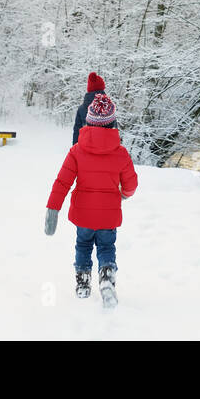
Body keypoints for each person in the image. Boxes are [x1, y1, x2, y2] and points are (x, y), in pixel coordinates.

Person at [44, 92, 138, 307]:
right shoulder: (121, 153)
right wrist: (124, 194)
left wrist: (52, 209)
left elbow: (62, 182)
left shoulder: (77, 151)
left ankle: (83, 283)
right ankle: (106, 278)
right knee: (106, 247)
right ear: (113, 123)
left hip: (84, 215)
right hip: (108, 215)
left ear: (88, 121)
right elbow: (131, 183)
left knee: (83, 245)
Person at [71, 72, 105, 145]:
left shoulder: (81, 109)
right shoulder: (109, 108)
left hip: (85, 149)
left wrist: (75, 151)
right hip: (106, 149)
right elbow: (114, 132)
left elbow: (77, 132)